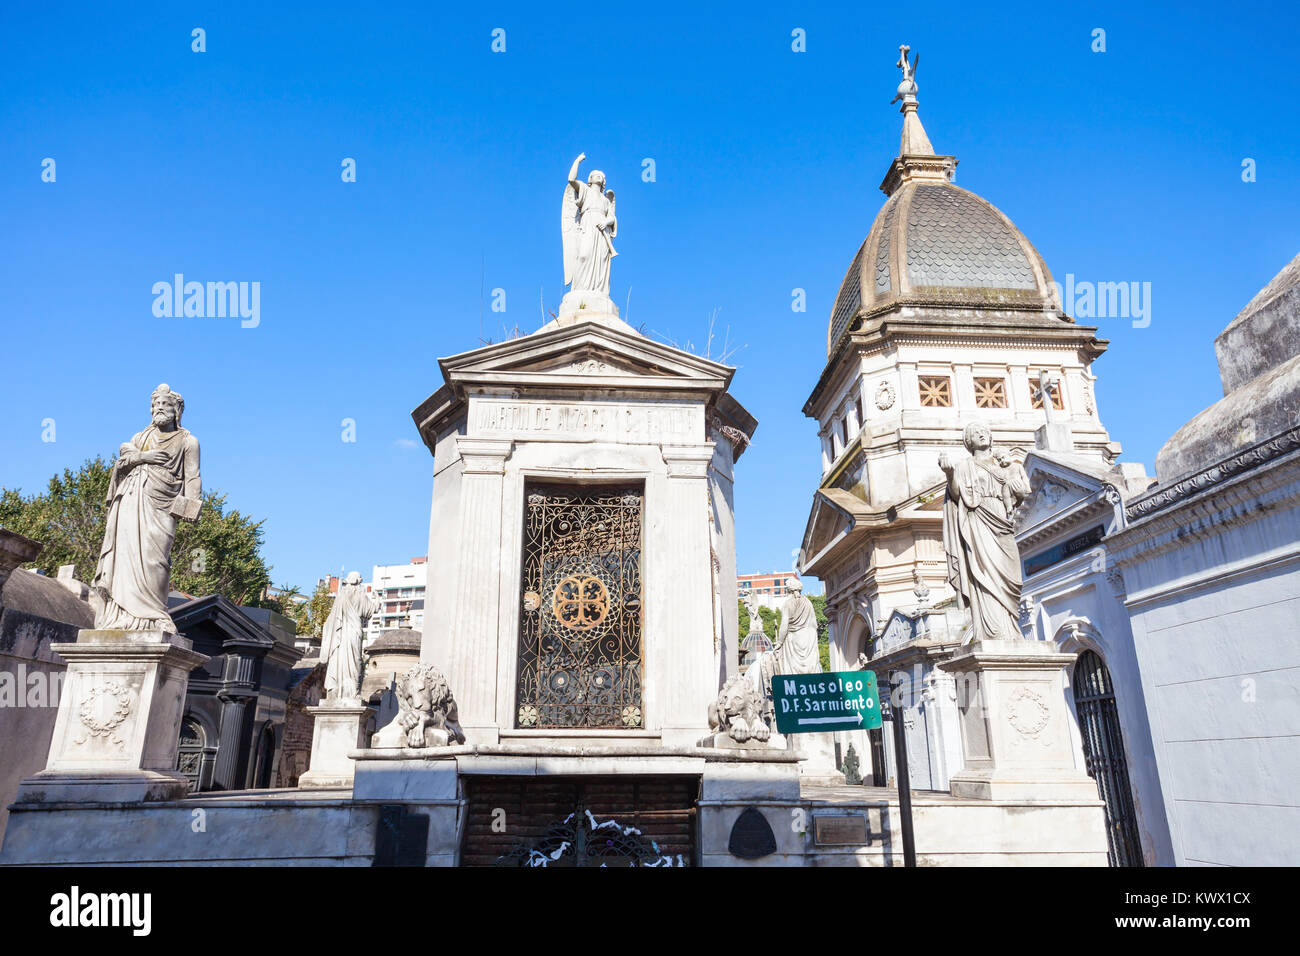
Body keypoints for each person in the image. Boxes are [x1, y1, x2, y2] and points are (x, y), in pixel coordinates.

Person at [92, 383, 201, 631]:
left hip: (162, 504)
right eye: (155, 405)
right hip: (131, 496)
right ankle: (120, 616)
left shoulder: (188, 441)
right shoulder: (139, 438)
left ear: (176, 410)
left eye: (165, 405)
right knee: (123, 555)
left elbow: (193, 476)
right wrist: (144, 457)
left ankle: (153, 613)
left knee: (156, 561)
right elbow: (121, 465)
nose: (158, 409)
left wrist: (192, 505)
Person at [939, 422, 1031, 643]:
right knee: (985, 575)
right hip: (978, 520)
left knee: (1010, 576)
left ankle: (1011, 625)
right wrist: (950, 474)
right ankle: (993, 631)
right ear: (969, 442)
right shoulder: (964, 466)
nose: (981, 435)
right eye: (975, 433)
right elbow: (956, 493)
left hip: (1002, 519)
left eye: (984, 432)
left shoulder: (1004, 463)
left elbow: (1022, 491)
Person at [320, 571, 380, 701]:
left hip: (340, 634)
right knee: (354, 660)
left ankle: (337, 689)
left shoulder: (341, 595)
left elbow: (332, 619)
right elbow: (372, 609)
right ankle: (351, 691)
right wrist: (377, 598)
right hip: (353, 632)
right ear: (358, 582)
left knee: (340, 659)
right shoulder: (359, 594)